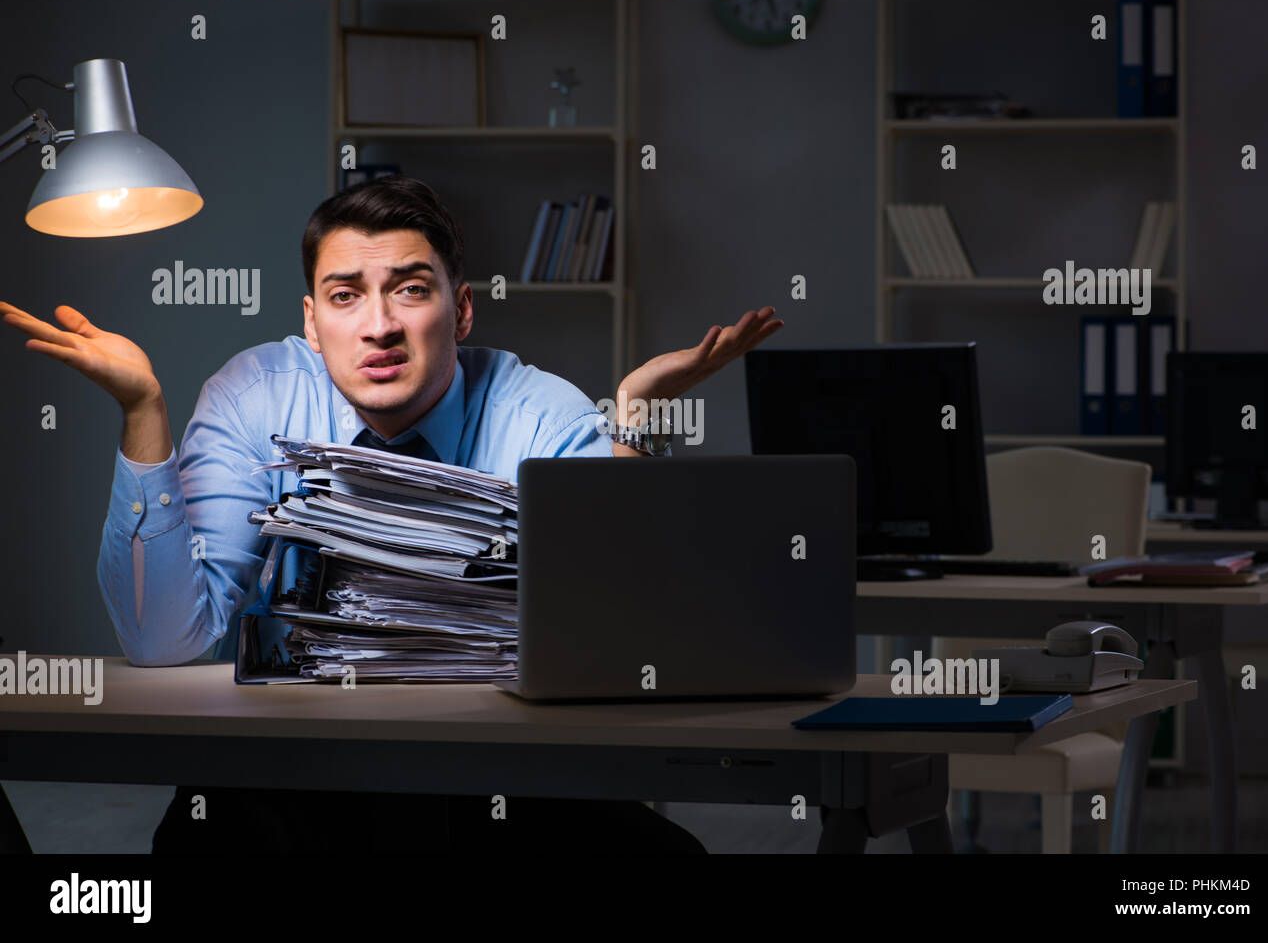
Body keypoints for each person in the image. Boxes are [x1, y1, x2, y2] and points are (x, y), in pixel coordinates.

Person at [0, 174, 783, 853]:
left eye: (411, 288)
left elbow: (620, 622)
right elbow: (164, 640)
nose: (379, 324)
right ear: (312, 322)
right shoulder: (252, 395)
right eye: (346, 296)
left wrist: (635, 423)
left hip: (501, 780)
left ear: (462, 310)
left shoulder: (538, 410)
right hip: (292, 775)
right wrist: (144, 411)